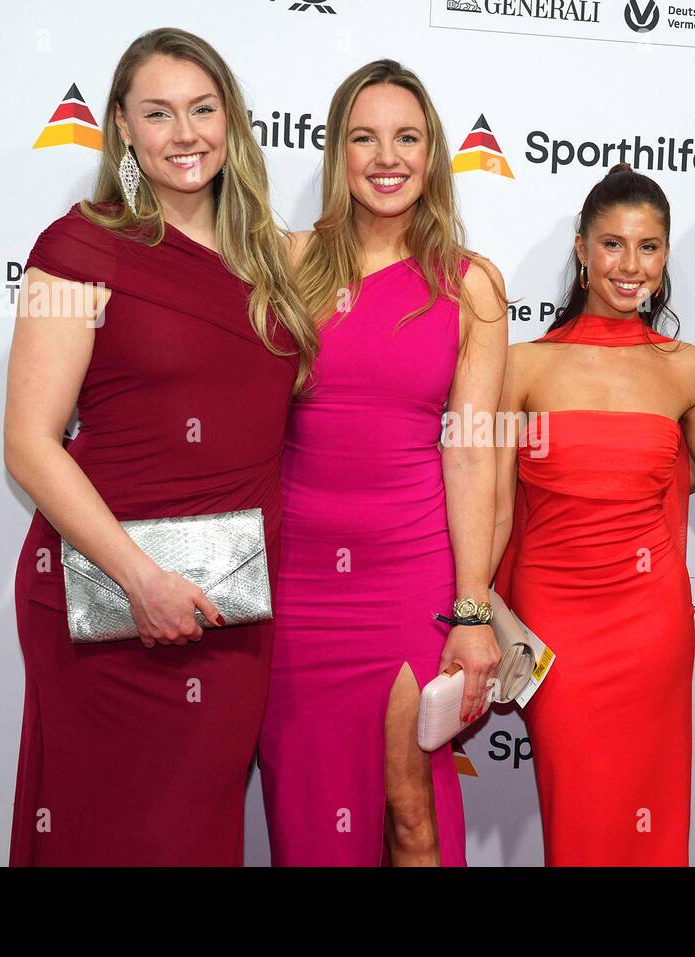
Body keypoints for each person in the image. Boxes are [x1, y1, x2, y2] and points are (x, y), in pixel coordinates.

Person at [4, 28, 316, 865]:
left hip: (230, 605)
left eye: (203, 109)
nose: (186, 133)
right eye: (159, 113)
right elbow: (31, 445)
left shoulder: (274, 264)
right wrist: (139, 580)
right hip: (110, 604)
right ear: (123, 129)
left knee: (196, 834)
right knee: (110, 834)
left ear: (232, 120)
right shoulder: (78, 249)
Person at [256, 59, 508, 867]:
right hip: (294, 587)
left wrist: (472, 609)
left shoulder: (471, 287)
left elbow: (472, 452)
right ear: (337, 152)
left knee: (412, 817)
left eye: (407, 137)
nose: (386, 156)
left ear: (432, 153)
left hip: (409, 579)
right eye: (364, 137)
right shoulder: (286, 263)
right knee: (310, 820)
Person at [491, 164, 695, 866]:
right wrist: (476, 604)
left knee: (650, 819)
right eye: (612, 244)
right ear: (580, 249)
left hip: (651, 627)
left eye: (649, 247)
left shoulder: (684, 368)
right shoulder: (523, 365)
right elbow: (488, 503)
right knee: (577, 815)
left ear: (665, 257)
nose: (630, 266)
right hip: (555, 625)